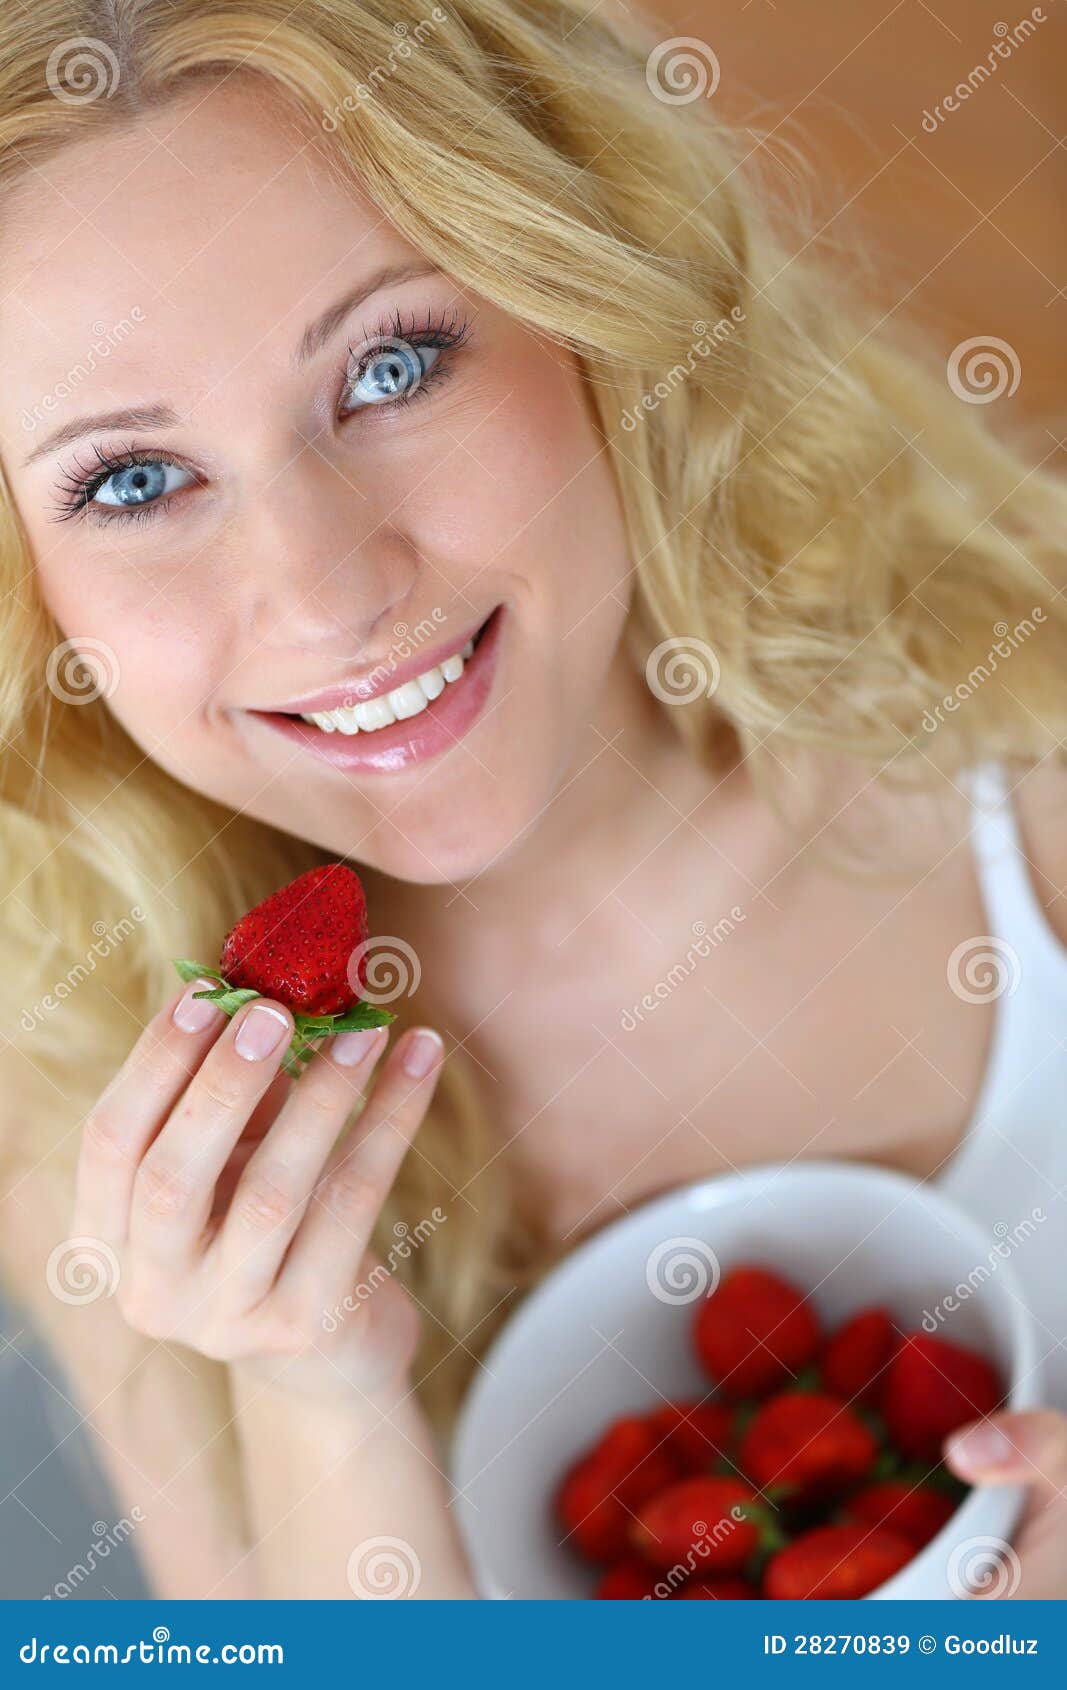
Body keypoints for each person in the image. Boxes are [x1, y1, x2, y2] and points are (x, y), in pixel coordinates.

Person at [0, 0, 1064, 1600]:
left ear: (600, 310)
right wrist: (316, 1389)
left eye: (391, 364)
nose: (328, 590)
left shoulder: (1034, 764)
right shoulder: (86, 1105)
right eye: (132, 480)